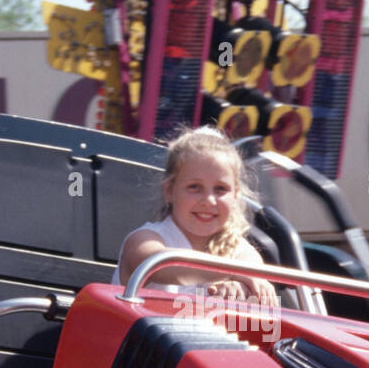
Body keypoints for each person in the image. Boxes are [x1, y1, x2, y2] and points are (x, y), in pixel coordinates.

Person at [113, 126, 279, 305]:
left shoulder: (240, 251)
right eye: (194, 187)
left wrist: (241, 288)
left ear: (235, 195)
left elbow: (254, 275)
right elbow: (157, 263)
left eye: (220, 189)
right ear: (169, 191)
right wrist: (234, 272)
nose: (208, 200)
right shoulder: (145, 240)